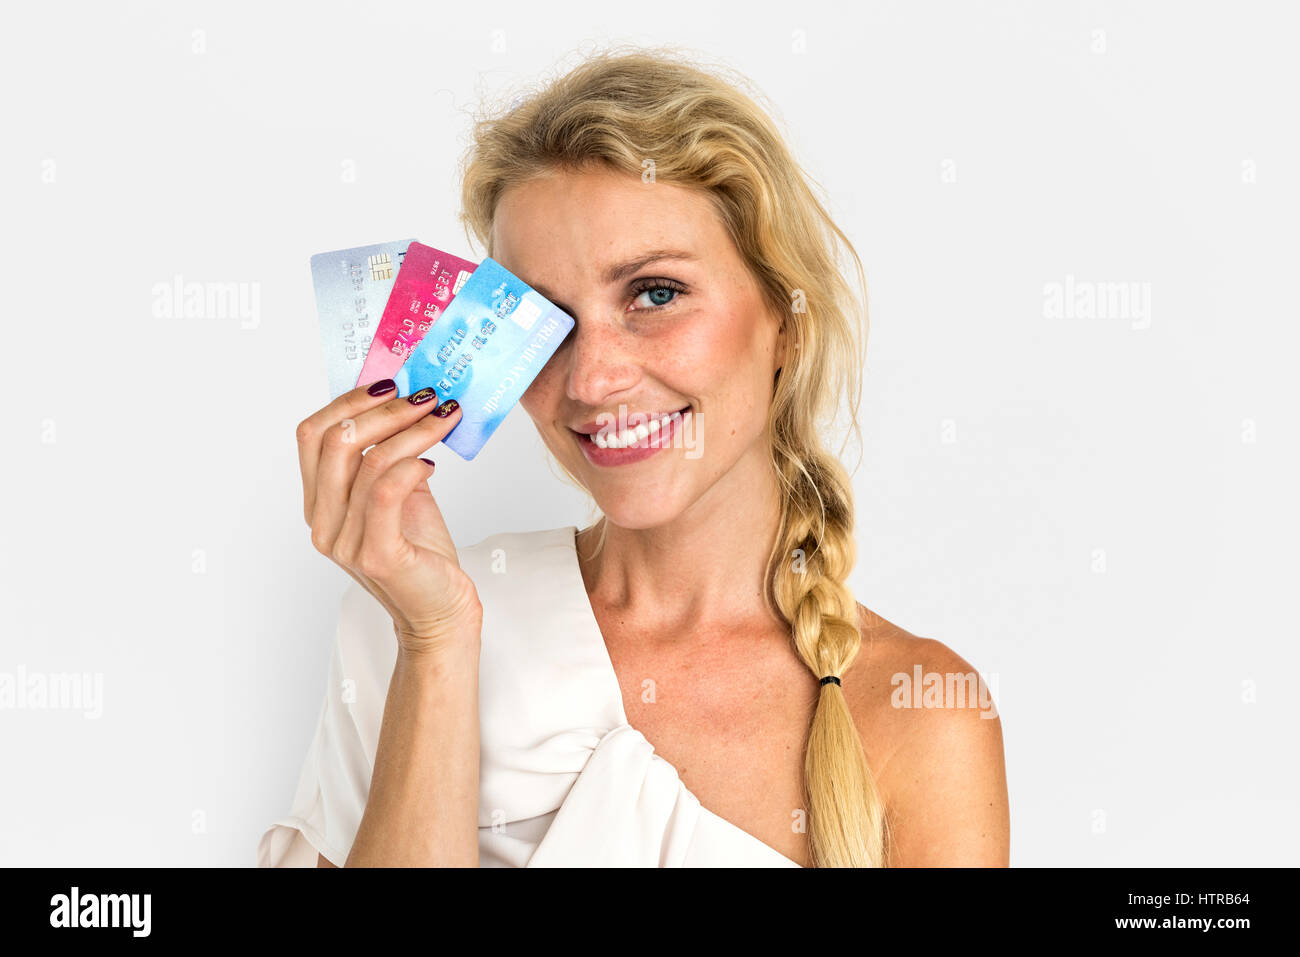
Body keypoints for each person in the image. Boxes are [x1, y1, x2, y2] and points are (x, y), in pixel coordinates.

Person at [259, 46, 1009, 868]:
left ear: (785, 318)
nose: (592, 378)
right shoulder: (395, 629)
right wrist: (436, 640)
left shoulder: (924, 714)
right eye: (544, 320)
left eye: (655, 294)